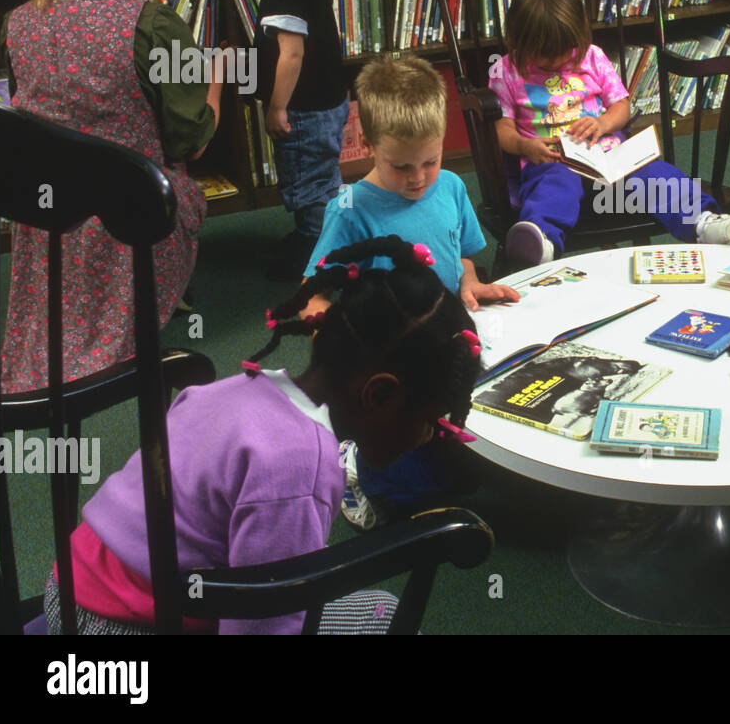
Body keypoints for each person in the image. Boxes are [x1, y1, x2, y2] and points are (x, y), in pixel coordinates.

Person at [44, 236, 481, 635]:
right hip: (120, 627)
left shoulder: (239, 388)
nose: (430, 437)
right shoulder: (298, 468)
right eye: (432, 418)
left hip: (70, 586)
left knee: (379, 610)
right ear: (380, 394)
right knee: (384, 621)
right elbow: (262, 619)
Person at [0, 0, 219, 394]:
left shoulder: (18, 23)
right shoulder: (156, 23)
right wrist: (217, 84)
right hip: (131, 211)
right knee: (178, 179)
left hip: (49, 216)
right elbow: (191, 141)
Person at [301, 54, 518, 529]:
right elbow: (313, 288)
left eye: (430, 161)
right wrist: (322, 322)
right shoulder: (351, 208)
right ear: (368, 144)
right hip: (385, 356)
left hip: (438, 342)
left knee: (457, 462)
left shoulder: (452, 187)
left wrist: (471, 280)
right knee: (405, 489)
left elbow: (460, 251)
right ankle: (353, 464)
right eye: (400, 166)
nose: (418, 178)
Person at [490, 0, 730, 267]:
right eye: (543, 55)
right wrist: (525, 146)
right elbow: (501, 130)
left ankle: (706, 224)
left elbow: (621, 106)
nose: (556, 61)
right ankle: (541, 241)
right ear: (519, 41)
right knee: (552, 188)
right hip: (552, 163)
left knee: (657, 175)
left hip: (610, 160)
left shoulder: (591, 57)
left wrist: (602, 124)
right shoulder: (506, 72)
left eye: (563, 51)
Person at [238, 0, 348, 280]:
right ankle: (320, 234)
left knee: (309, 184)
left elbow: (292, 54)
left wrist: (276, 107)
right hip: (331, 99)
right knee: (324, 175)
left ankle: (320, 251)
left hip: (303, 110)